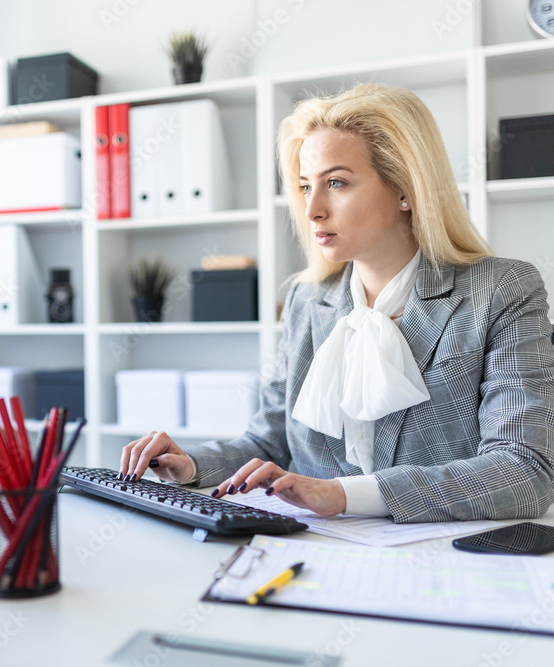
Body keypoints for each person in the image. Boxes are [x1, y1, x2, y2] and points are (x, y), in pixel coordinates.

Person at [120, 83, 554, 523]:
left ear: (406, 189)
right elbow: (268, 444)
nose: (312, 210)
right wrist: (188, 465)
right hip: (312, 553)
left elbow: (524, 471)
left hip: (448, 563)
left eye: (336, 183)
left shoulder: (502, 292)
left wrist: (342, 495)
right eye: (307, 186)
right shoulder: (305, 301)